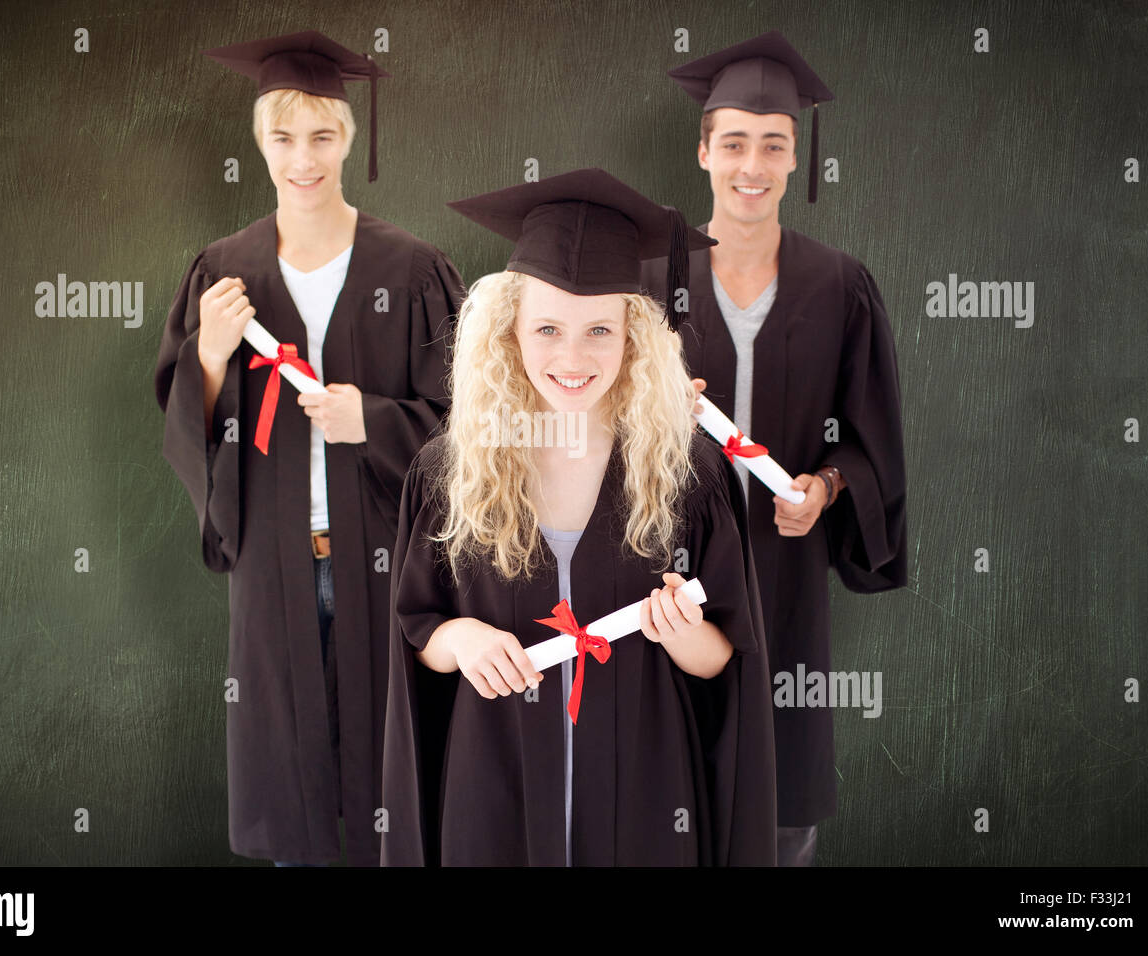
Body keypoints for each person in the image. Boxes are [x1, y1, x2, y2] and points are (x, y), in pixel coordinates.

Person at [380, 168, 777, 866]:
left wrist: (683, 633)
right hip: (494, 785)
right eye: (547, 329)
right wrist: (463, 638)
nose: (572, 356)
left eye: (600, 328)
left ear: (634, 337)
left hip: (646, 796)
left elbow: (725, 659)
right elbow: (420, 632)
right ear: (508, 333)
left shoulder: (689, 474)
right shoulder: (453, 471)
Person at [153, 30, 463, 866]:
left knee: (390, 781)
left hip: (389, 564)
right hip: (277, 566)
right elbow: (184, 424)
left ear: (348, 142)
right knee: (292, 789)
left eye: (322, 136)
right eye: (284, 137)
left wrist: (378, 421)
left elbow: (473, 432)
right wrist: (211, 356)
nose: (304, 157)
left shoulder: (416, 267)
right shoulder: (225, 273)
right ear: (260, 144)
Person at [643, 31, 908, 865]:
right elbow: (583, 427)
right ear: (702, 152)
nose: (751, 165)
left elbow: (871, 442)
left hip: (787, 582)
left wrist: (824, 490)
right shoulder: (651, 277)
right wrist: (651, 412)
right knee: (665, 792)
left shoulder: (840, 285)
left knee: (784, 817)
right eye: (733, 144)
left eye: (773, 145)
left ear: (797, 160)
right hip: (666, 575)